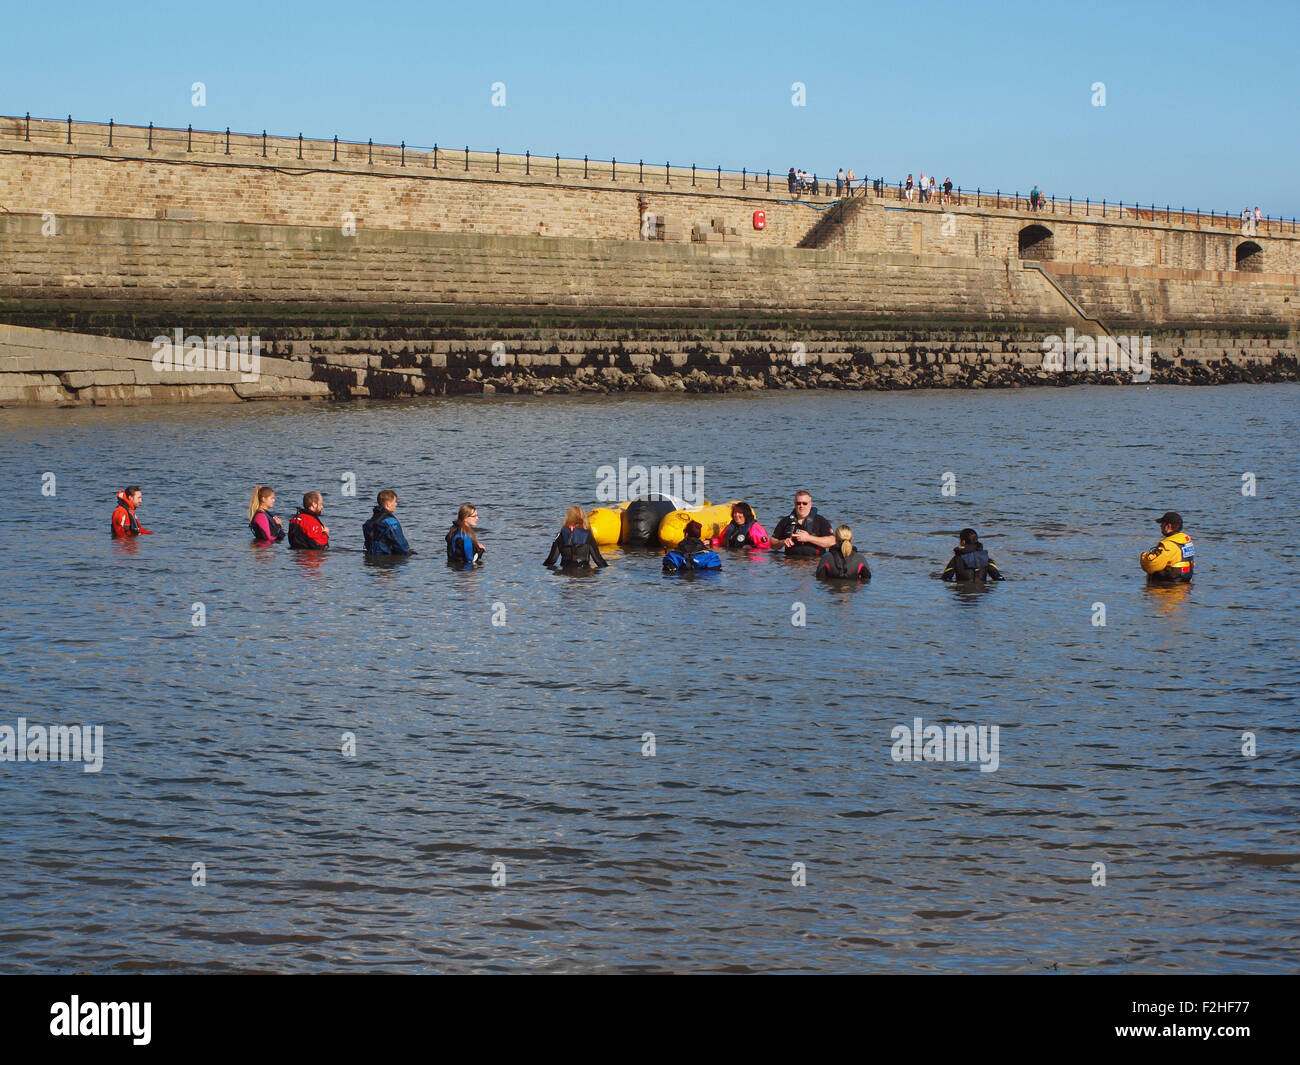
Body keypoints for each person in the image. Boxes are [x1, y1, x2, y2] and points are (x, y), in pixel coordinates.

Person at [771, 491, 836, 557]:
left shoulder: (820, 521)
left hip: (813, 562)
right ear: (794, 504)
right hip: (791, 563)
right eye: (798, 503)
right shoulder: (785, 521)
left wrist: (809, 538)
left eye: (804, 503)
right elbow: (772, 543)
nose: (801, 506)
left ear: (810, 504)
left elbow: (832, 541)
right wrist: (782, 542)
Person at [1140, 511, 1194, 582]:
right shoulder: (1186, 541)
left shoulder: (1168, 545)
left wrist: (1144, 555)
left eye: (1162, 524)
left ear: (1168, 526)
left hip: (1166, 588)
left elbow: (1151, 565)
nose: (1160, 526)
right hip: (1184, 587)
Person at [363, 490, 414, 555]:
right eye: (395, 501)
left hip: (371, 557)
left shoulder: (370, 521)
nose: (396, 504)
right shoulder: (390, 521)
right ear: (388, 504)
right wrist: (409, 553)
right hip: (385, 559)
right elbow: (400, 544)